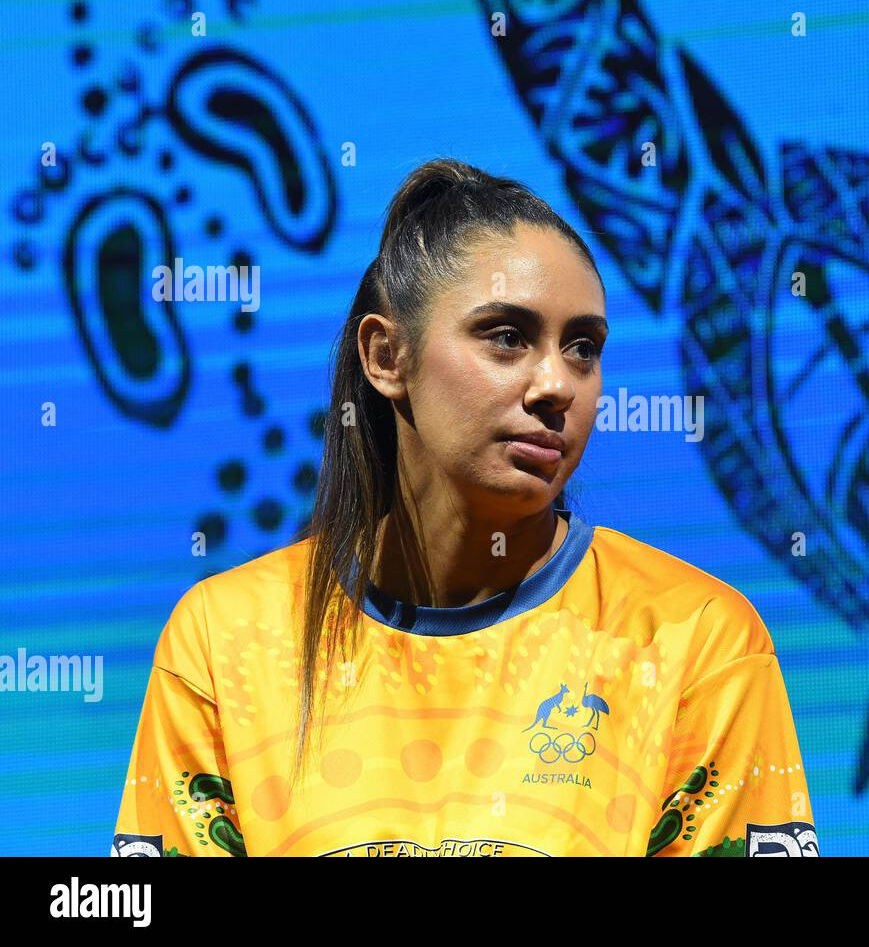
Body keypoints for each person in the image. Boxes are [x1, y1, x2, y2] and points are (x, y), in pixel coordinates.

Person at [112, 158, 818, 857]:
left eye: (583, 348)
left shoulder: (697, 643)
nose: (556, 385)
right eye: (507, 336)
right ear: (386, 355)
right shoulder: (224, 641)